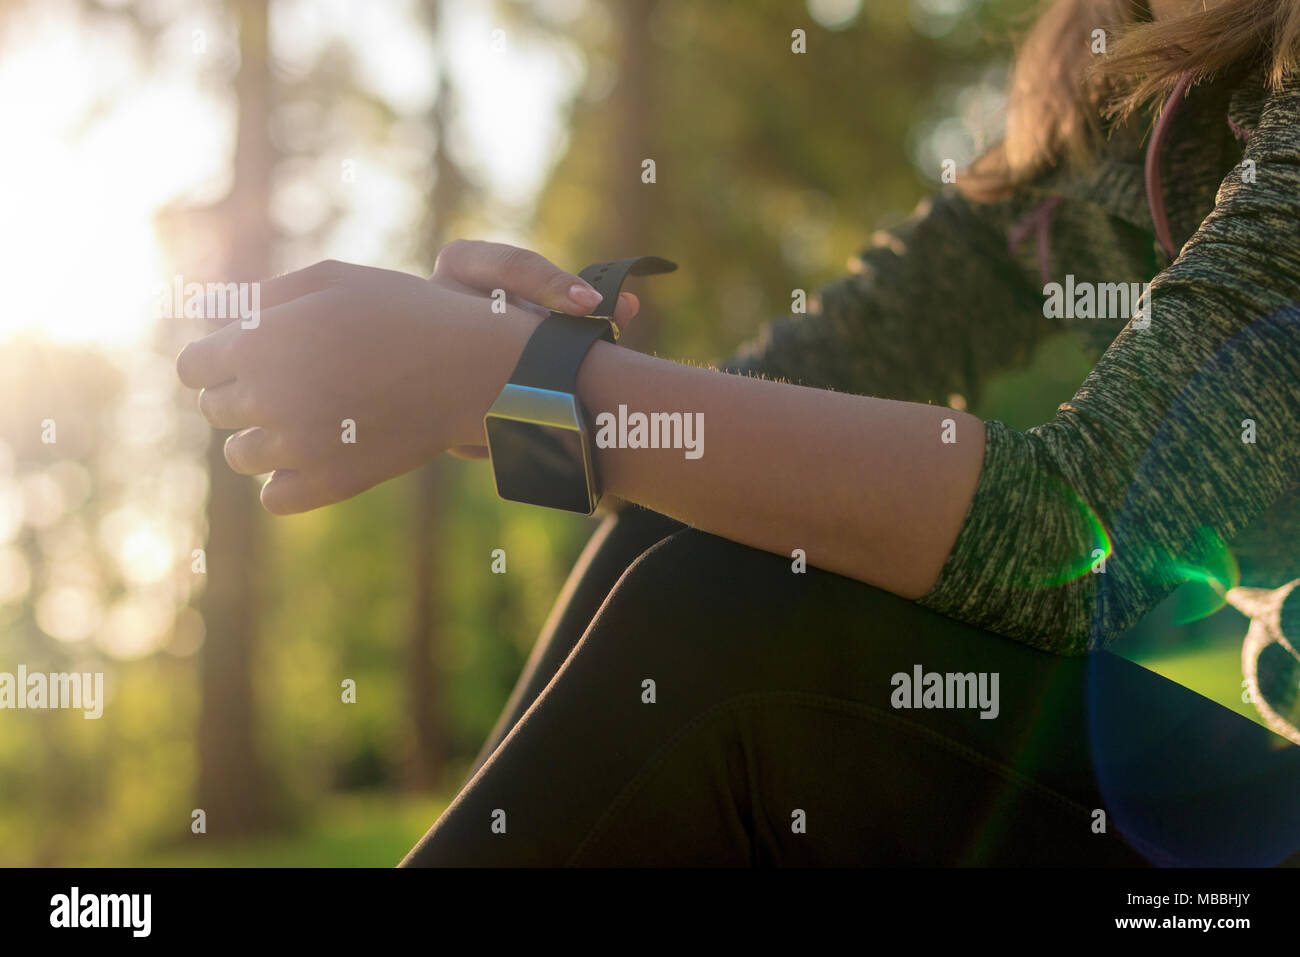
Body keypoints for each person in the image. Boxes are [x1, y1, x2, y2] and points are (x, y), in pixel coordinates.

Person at [176, 0, 1300, 865]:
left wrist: (505, 378)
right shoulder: (1112, 95)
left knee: (722, 636)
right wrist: (513, 384)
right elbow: (769, 405)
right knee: (680, 540)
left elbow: (1088, 539)